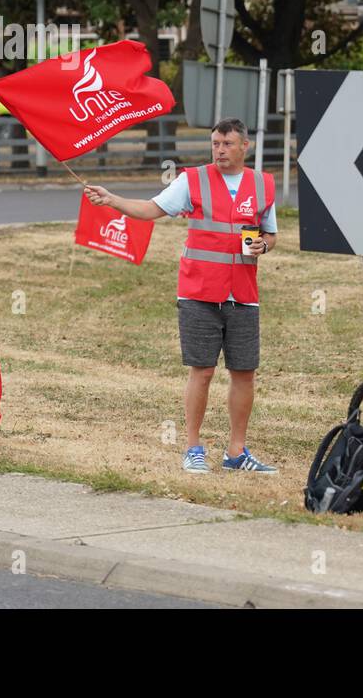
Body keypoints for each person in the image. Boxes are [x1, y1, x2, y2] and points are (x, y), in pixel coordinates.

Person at [83, 118, 279, 474]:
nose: (219, 150)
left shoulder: (262, 184)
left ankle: (237, 452)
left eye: (227, 144)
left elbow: (271, 233)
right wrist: (112, 200)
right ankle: (193, 447)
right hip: (199, 292)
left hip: (244, 295)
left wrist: (264, 245)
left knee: (244, 373)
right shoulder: (193, 179)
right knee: (202, 371)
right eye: (215, 143)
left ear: (244, 146)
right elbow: (151, 209)